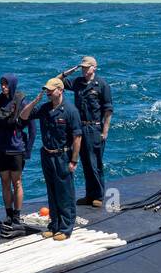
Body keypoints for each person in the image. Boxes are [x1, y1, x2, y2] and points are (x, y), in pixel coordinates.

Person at [20, 77, 82, 240]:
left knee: (65, 192)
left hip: (63, 155)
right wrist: (35, 101)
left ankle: (65, 227)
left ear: (60, 90)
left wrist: (74, 160)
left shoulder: (70, 110)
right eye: (46, 90)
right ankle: (54, 225)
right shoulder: (45, 108)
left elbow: (77, 137)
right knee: (52, 191)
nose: (47, 92)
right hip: (47, 154)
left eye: (51, 90)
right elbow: (24, 115)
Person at [49, 56, 114, 208]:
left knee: (94, 163)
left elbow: (108, 110)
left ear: (94, 68)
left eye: (86, 67)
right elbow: (55, 82)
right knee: (84, 162)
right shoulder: (78, 82)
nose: (84, 70)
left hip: (94, 127)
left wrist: (105, 131)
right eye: (82, 67)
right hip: (80, 127)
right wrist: (69, 71)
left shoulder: (102, 84)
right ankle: (89, 194)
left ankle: (98, 195)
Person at [0, 74, 34, 230]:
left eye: (6, 84)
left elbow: (32, 127)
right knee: (4, 181)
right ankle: (8, 214)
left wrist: (27, 150)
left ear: (12, 85)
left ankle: (17, 215)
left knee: (17, 182)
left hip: (16, 149)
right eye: (2, 84)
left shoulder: (22, 102)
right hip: (1, 148)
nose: (3, 87)